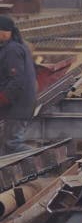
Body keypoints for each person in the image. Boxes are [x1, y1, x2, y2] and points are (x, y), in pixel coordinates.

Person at [0, 16, 36, 155]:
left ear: (4, 32)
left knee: (12, 144)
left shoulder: (12, 50)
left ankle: (42, 156)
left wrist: (3, 98)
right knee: (6, 145)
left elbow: (17, 81)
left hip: (17, 106)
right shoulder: (12, 47)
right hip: (16, 104)